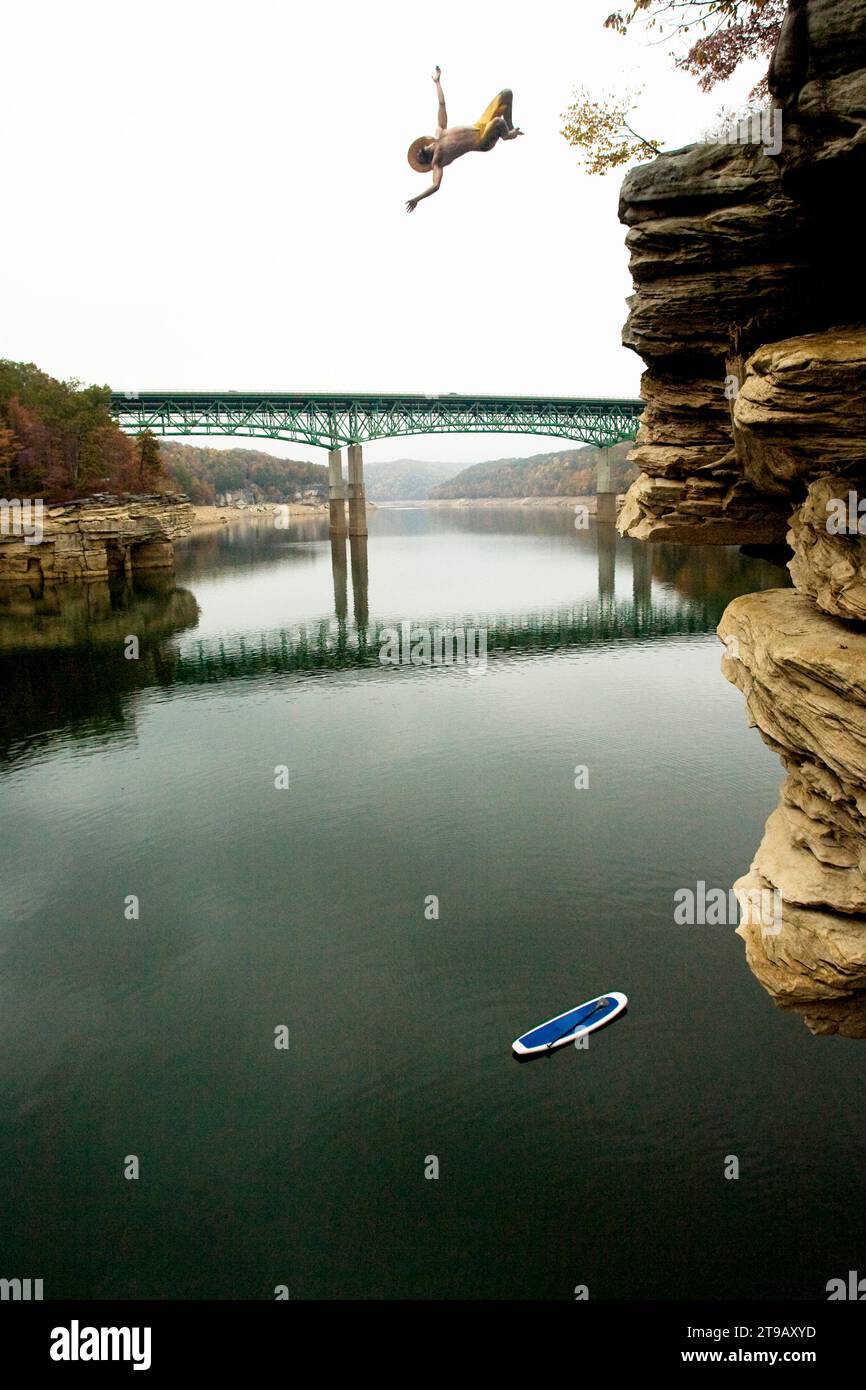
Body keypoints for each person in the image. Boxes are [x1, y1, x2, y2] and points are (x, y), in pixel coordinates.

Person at [406, 67, 523, 212]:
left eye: (418, 152)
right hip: (482, 142)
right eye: (419, 158)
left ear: (424, 144)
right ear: (425, 161)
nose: (418, 154)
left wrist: (437, 82)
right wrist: (417, 199)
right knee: (498, 123)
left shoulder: (440, 131)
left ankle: (509, 126)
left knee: (506, 94)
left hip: (481, 125)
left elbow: (442, 104)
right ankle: (507, 135)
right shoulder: (438, 161)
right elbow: (436, 185)